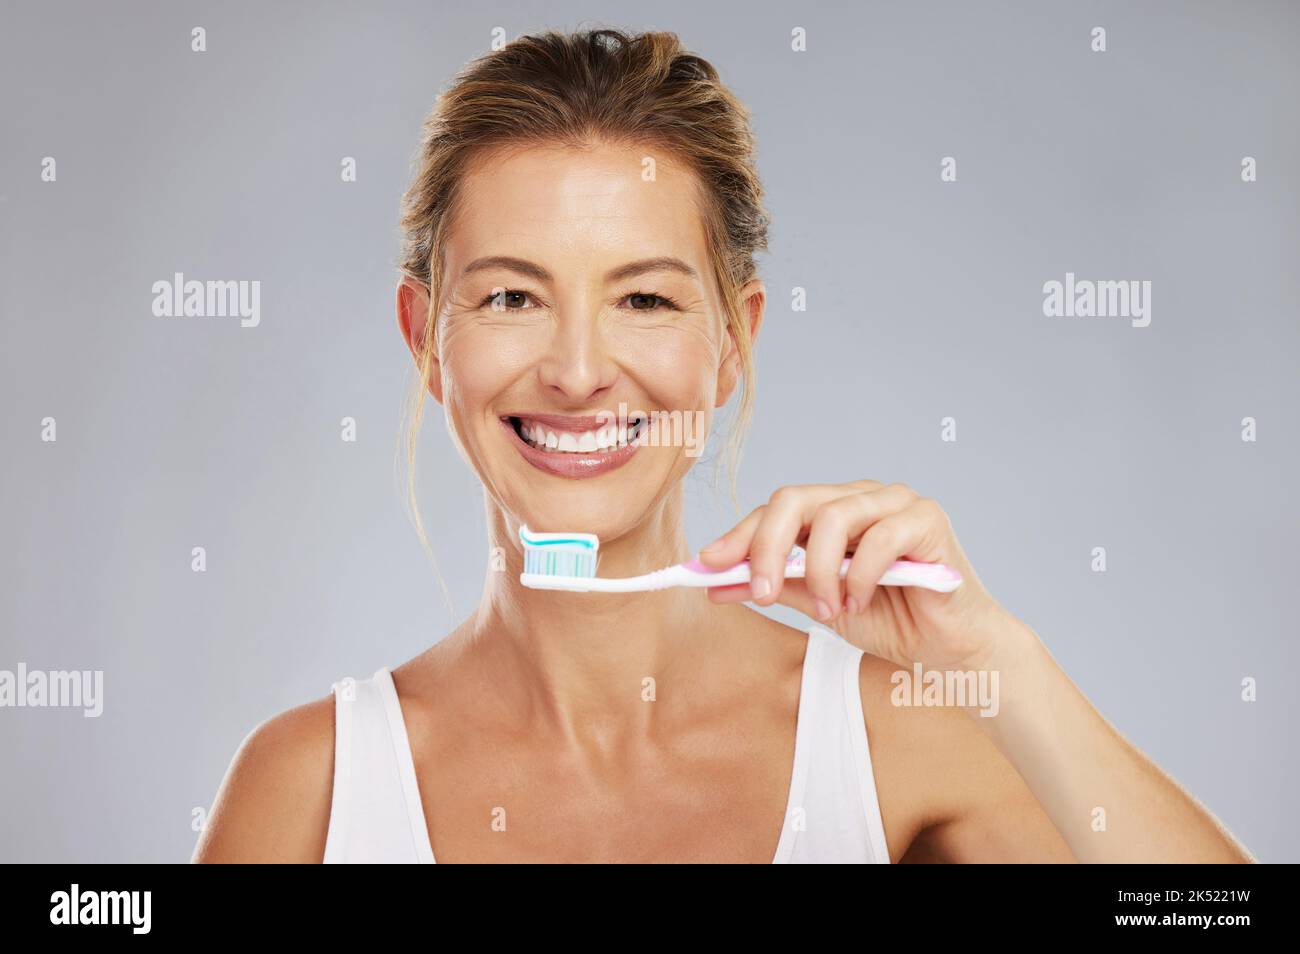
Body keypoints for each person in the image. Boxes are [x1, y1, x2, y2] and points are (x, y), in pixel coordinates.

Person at [193, 28, 1253, 863]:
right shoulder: (311, 787)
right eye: (512, 295)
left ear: (732, 342)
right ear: (428, 339)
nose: (574, 371)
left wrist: (995, 662)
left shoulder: (902, 743)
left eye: (644, 298)